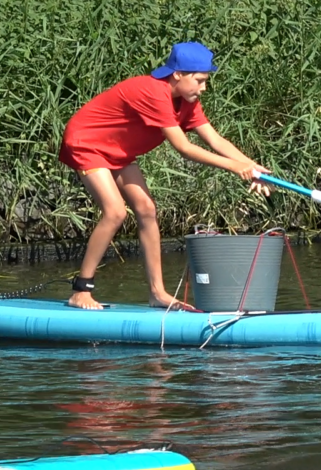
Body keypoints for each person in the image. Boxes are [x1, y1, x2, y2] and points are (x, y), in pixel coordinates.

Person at [60, 41, 271, 310]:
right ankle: (81, 291)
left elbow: (216, 140)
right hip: (86, 142)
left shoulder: (187, 101)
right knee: (115, 212)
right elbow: (184, 148)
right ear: (178, 75)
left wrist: (253, 168)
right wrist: (234, 167)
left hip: (117, 150)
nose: (204, 88)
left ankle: (157, 293)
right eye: (199, 80)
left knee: (147, 209)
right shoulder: (153, 93)